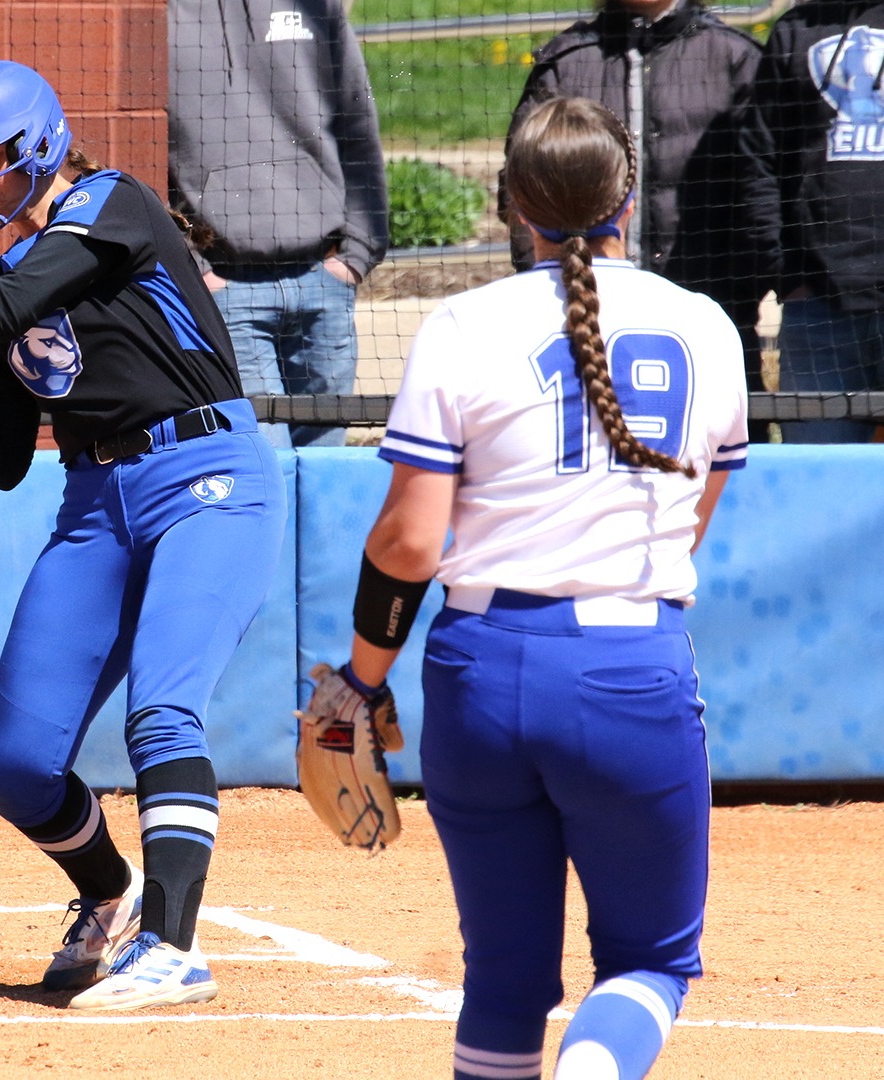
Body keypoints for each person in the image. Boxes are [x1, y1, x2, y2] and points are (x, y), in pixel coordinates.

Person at [0, 60, 287, 1012]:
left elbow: (1, 310)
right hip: (94, 504)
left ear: (38, 140)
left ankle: (172, 945)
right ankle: (107, 895)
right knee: (15, 763)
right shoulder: (7, 281)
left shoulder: (111, 203)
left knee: (162, 712)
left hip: (204, 477)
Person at [327, 98, 746, 1079]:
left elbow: (406, 542)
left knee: (505, 980)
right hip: (629, 667)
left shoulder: (464, 324)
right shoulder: (706, 326)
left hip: (483, 669)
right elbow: (693, 523)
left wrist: (360, 678)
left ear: (514, 204)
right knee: (649, 963)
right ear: (627, 201)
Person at [501, 0, 781, 442]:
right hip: (577, 333)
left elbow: (769, 185)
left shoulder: (735, 58)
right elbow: (520, 187)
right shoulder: (567, 64)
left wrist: (741, 294)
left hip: (711, 333)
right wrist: (549, 290)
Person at [167, 0, 389, 448]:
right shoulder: (156, 16)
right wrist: (194, 271)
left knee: (325, 472)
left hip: (323, 283)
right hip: (223, 292)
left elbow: (356, 119)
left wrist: (357, 253)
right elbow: (138, 151)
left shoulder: (315, 7)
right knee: (265, 471)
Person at [755, 0, 884, 443]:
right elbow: (760, 159)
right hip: (818, 309)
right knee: (822, 492)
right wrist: (784, 272)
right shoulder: (795, 32)